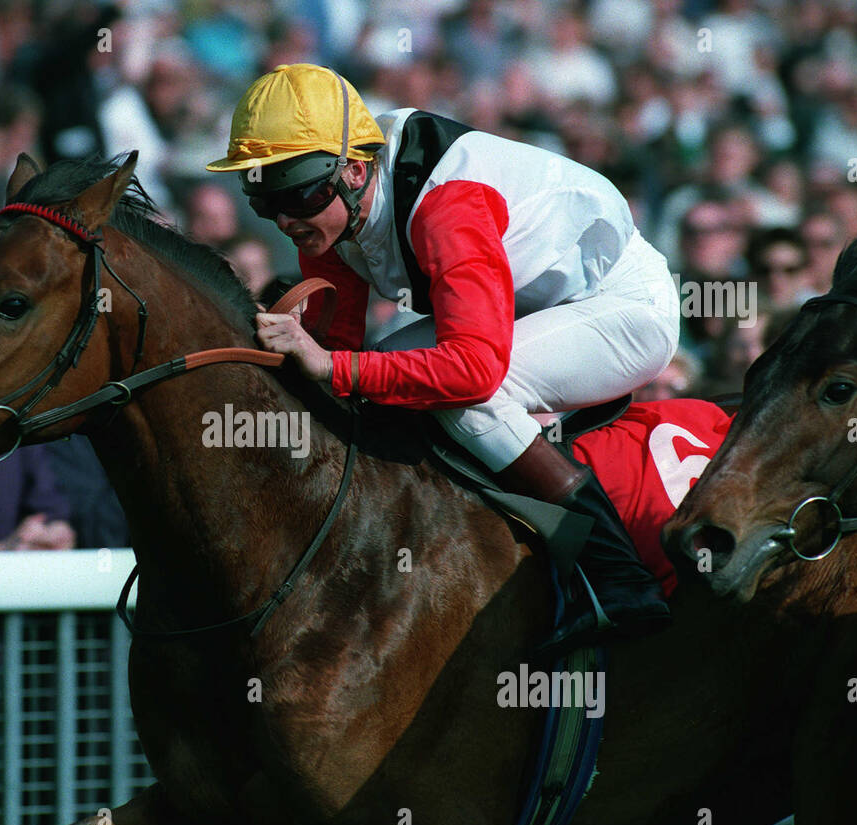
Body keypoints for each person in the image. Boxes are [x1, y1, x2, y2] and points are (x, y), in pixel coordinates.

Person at [206, 64, 681, 644]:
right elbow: (341, 347)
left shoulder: (446, 210)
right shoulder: (336, 209)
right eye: (264, 199)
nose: (284, 219)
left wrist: (331, 366)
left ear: (355, 171)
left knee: (467, 398)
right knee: (380, 378)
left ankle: (616, 573)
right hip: (528, 309)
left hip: (622, 309)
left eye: (298, 194)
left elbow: (472, 371)